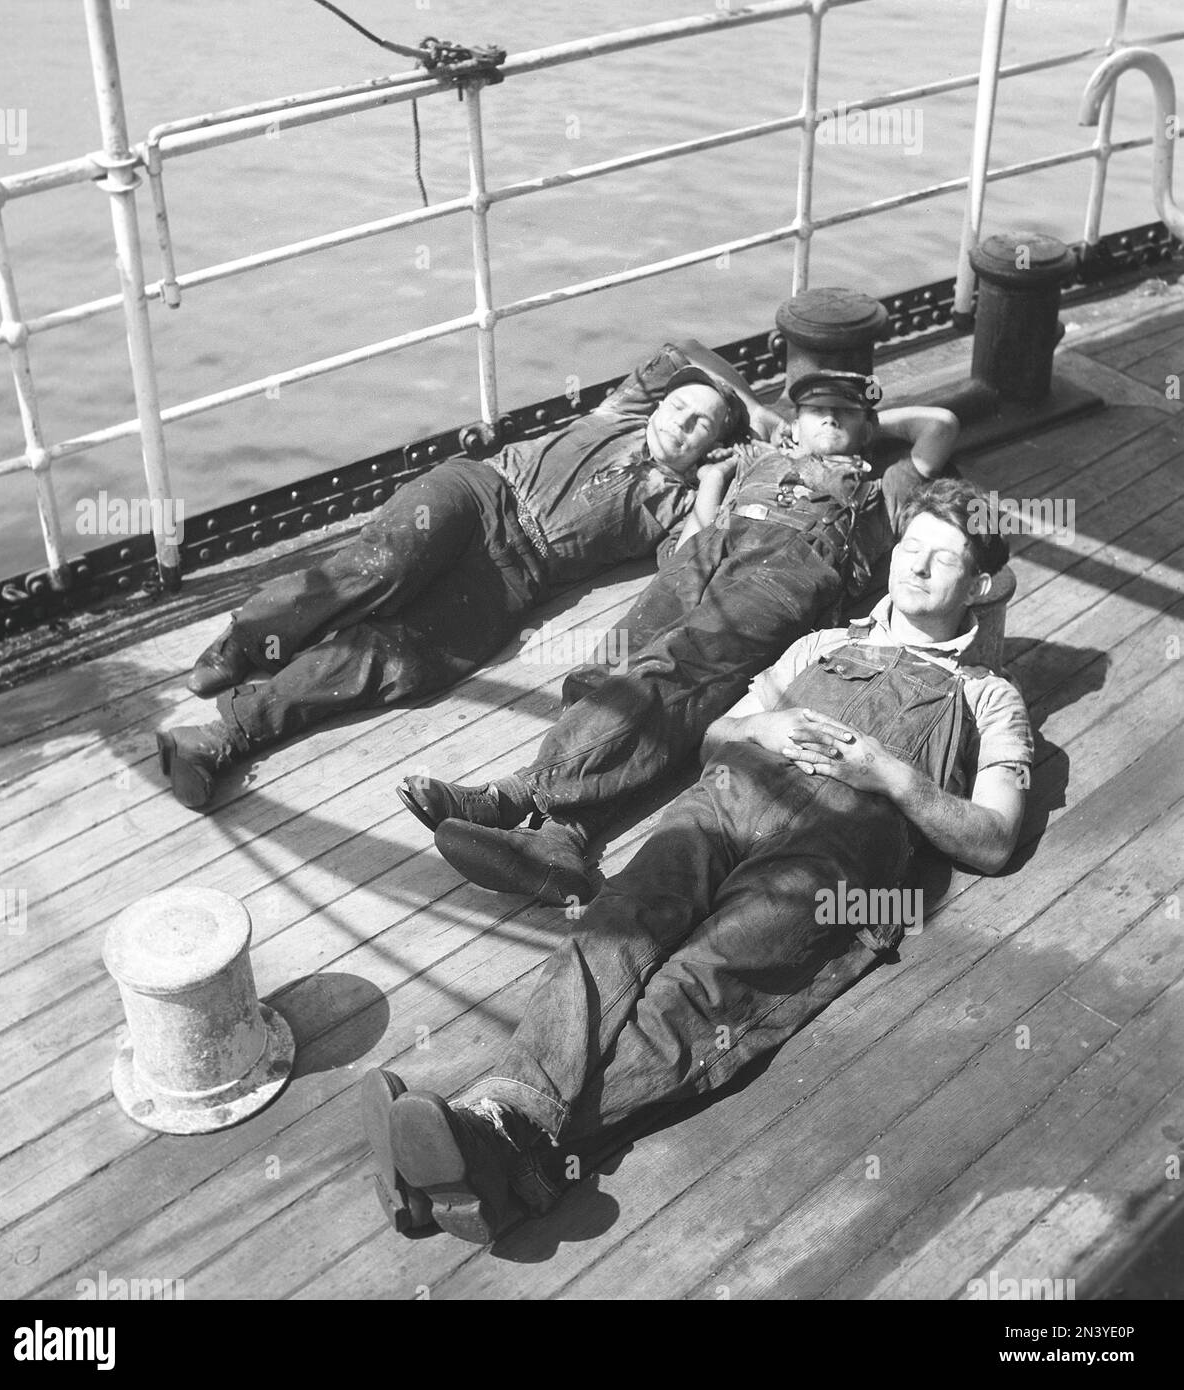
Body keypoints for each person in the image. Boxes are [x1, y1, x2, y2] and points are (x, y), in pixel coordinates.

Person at [362, 478, 1033, 1244]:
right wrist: (764, 730)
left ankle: (489, 1140)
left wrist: (887, 773)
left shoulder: (987, 698)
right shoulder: (823, 645)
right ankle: (500, 1147)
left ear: (977, 585)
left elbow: (994, 838)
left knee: (700, 988)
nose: (915, 567)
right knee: (610, 935)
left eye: (942, 559)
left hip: (835, 859)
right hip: (724, 804)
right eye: (911, 547)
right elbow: (716, 736)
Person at [402, 371, 961, 904]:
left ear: (868, 424)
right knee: (611, 668)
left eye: (845, 414)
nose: (830, 419)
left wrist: (864, 424)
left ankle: (512, 796)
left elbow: (940, 423)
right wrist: (717, 482)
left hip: (789, 570)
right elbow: (687, 360)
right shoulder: (758, 457)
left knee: (679, 670)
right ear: (797, 418)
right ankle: (560, 839)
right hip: (710, 548)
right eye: (818, 410)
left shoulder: (886, 483)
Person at [157, 338, 773, 809]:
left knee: (400, 658)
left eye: (700, 426)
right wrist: (752, 409)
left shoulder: (679, 505)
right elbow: (679, 349)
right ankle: (245, 638)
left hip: (519, 574)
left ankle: (223, 737)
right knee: (381, 566)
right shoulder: (621, 411)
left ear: (710, 448)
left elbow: (687, 570)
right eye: (678, 406)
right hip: (482, 492)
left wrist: (714, 484)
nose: (679, 424)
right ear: (658, 400)